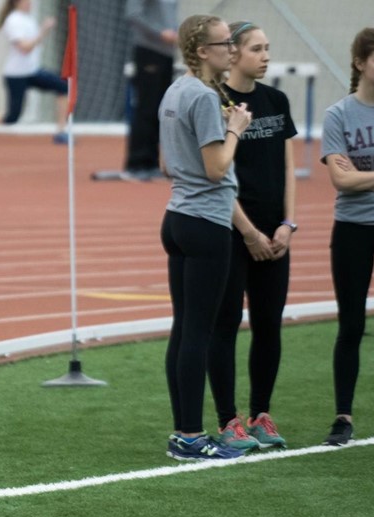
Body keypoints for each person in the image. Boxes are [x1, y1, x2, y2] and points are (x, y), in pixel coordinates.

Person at [159, 14, 252, 461]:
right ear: (201, 51)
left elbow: (166, 165)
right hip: (206, 221)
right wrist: (235, 129)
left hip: (177, 216)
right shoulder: (202, 96)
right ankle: (192, 436)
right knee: (198, 330)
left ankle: (184, 432)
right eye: (224, 43)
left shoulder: (175, 90)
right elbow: (216, 169)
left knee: (184, 329)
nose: (231, 49)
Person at [207, 21, 297, 452]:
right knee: (225, 325)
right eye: (256, 49)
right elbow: (218, 177)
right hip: (233, 233)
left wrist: (287, 224)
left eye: (267, 48)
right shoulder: (217, 104)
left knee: (268, 325)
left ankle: (261, 415)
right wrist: (249, 232)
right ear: (234, 53)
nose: (265, 56)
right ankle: (229, 421)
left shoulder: (276, 100)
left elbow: (288, 168)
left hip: (275, 235)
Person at [320, 27, 374, 447]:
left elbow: (353, 176)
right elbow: (341, 181)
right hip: (352, 229)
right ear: (360, 64)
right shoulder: (338, 115)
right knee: (352, 325)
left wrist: (363, 177)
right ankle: (343, 416)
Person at [0, 0, 69, 144]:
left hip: (32, 71)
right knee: (11, 117)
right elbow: (25, 48)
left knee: (63, 86)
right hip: (16, 75)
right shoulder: (13, 21)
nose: (31, 3)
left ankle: (61, 131)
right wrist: (43, 31)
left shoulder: (28, 19)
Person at [124, 0, 179, 181]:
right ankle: (137, 163)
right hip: (149, 50)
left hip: (167, 53)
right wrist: (160, 33)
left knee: (159, 109)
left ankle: (152, 163)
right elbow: (133, 14)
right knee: (146, 108)